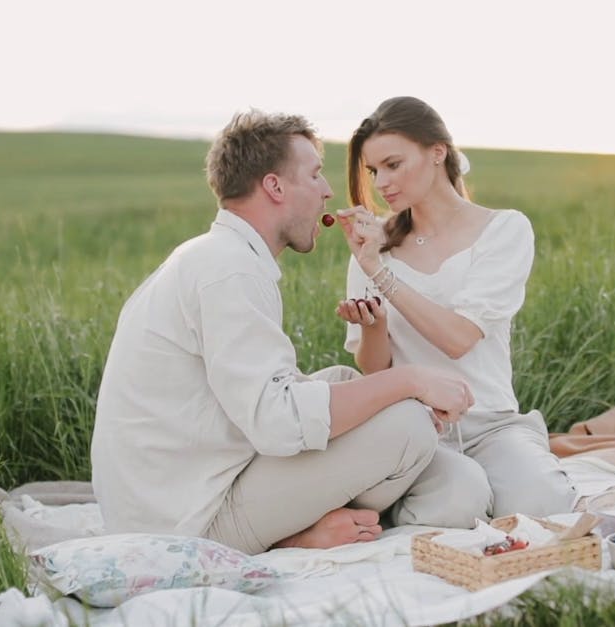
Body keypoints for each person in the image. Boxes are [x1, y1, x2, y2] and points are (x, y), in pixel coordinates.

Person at [90, 109, 476, 555]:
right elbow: (278, 423)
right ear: (275, 187)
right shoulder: (228, 269)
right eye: (314, 175)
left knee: (344, 382)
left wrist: (391, 387)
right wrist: (413, 379)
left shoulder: (219, 255)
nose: (328, 191)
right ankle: (296, 537)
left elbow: (263, 403)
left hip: (185, 485)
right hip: (186, 520)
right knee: (407, 424)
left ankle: (316, 521)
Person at [332, 96, 576, 527]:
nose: (381, 183)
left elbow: (459, 338)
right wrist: (375, 325)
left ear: (437, 153)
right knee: (456, 508)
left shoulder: (504, 229)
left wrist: (381, 274)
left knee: (544, 506)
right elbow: (375, 370)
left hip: (494, 424)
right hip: (418, 432)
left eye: (393, 164)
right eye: (373, 171)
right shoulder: (372, 249)